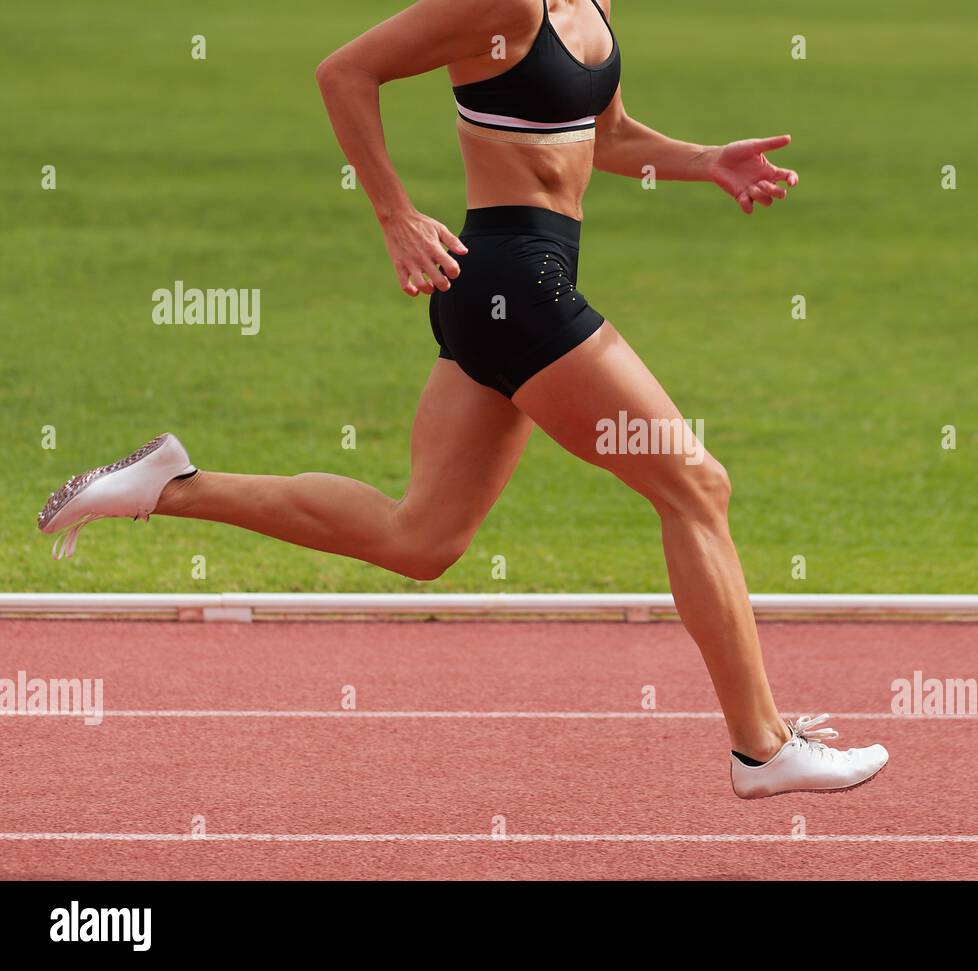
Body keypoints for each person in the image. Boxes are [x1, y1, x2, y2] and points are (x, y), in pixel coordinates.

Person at [38, 0, 887, 799]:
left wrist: (706, 162)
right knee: (696, 485)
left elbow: (609, 134)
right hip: (516, 284)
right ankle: (762, 746)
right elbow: (344, 72)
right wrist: (394, 213)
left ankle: (165, 485)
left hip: (507, 289)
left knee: (422, 538)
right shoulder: (501, 4)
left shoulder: (587, 6)